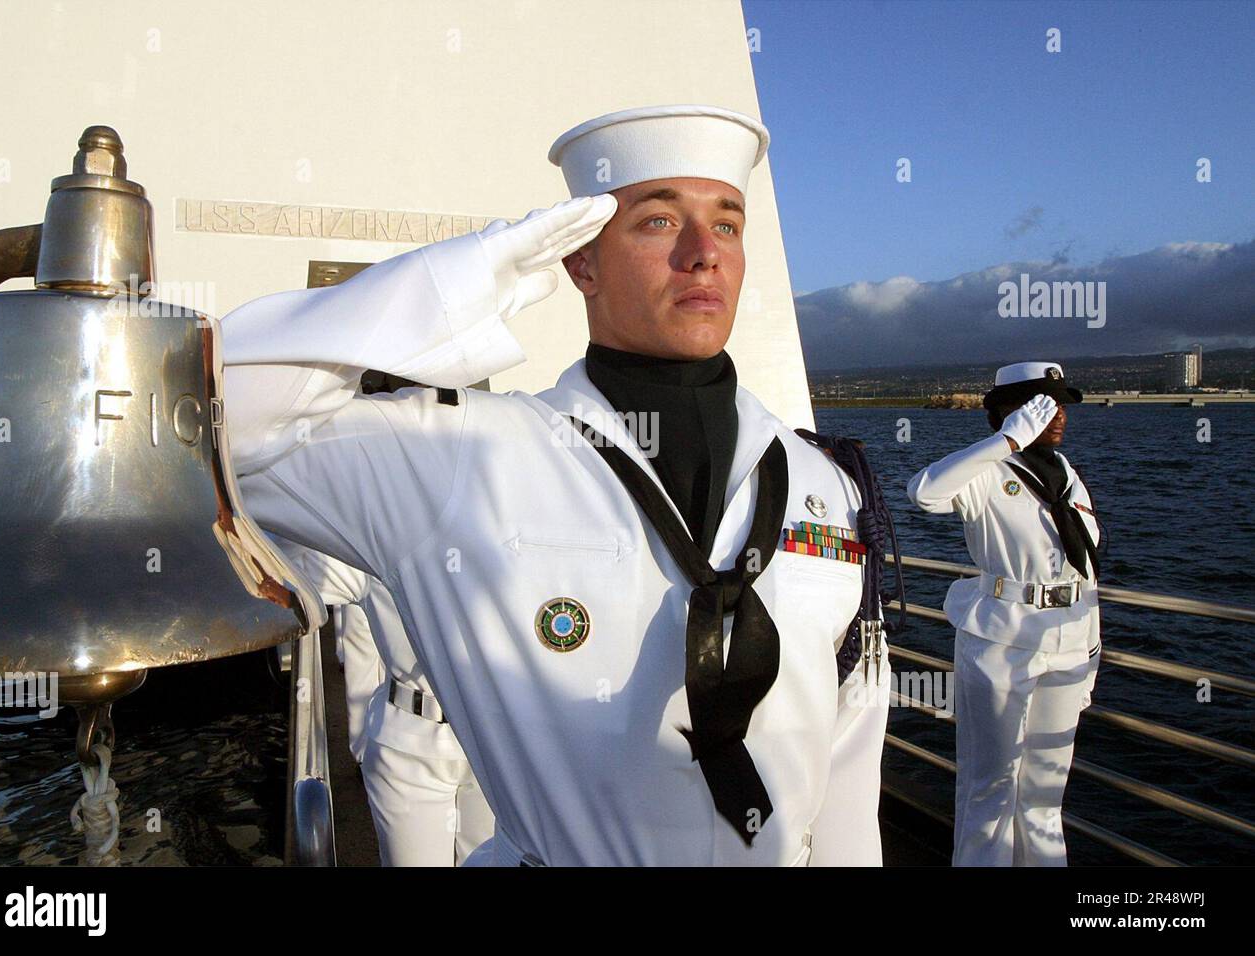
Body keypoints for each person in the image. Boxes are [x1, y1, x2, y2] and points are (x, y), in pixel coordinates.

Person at [221, 104, 891, 866]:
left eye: (728, 225)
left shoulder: (825, 485)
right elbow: (209, 420)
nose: (705, 253)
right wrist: (462, 283)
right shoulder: (461, 457)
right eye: (659, 223)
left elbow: (848, 772)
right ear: (581, 263)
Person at [907, 362, 1102, 866]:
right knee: (989, 789)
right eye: (1042, 404)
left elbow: (1085, 573)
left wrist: (1092, 657)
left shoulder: (1068, 477)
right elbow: (924, 492)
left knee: (1042, 796)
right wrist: (1008, 443)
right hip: (1000, 642)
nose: (1057, 414)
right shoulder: (987, 474)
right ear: (1009, 413)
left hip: (1067, 643)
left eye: (1060, 404)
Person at [275, 537, 495, 866]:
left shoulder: (508, 531)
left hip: (491, 736)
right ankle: (359, 748)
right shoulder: (378, 536)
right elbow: (288, 577)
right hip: (411, 739)